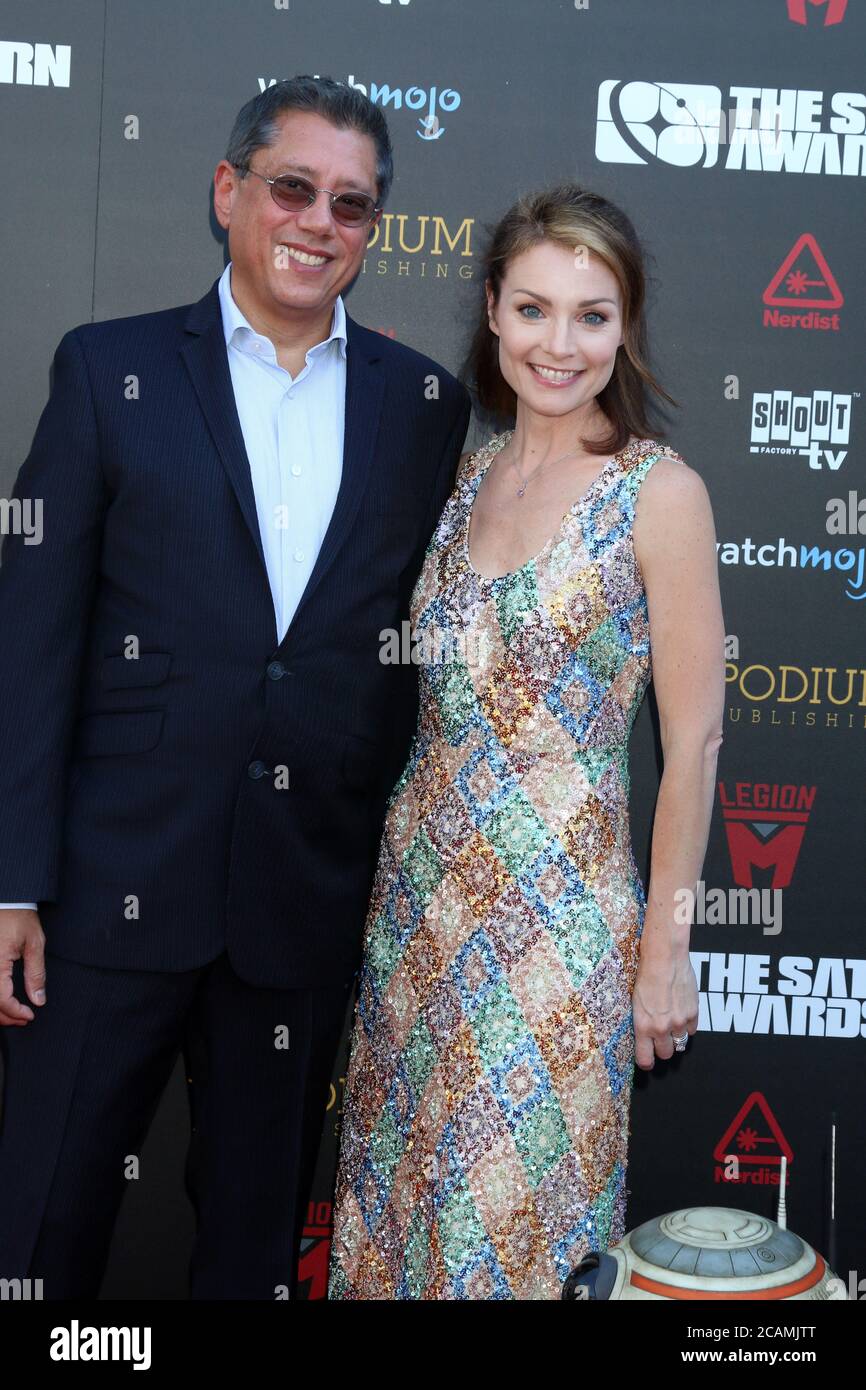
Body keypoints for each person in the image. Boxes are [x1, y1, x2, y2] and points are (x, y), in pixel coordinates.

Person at [0, 75, 470, 1299]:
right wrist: (10, 885)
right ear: (228, 193)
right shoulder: (109, 373)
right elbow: (31, 641)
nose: (319, 222)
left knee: (257, 1249)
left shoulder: (422, 408)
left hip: (299, 903)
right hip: (109, 894)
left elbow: (403, 663)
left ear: (373, 229)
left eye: (351, 205)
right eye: (293, 188)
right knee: (42, 1225)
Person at [327, 183, 725, 1299]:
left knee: (511, 1238)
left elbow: (690, 742)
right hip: (415, 916)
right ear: (493, 314)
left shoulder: (659, 493)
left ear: (624, 327)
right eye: (534, 310)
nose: (560, 344)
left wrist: (663, 950)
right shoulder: (454, 485)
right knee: (395, 1217)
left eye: (591, 315)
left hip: (556, 936)